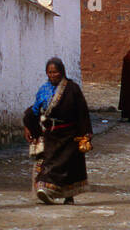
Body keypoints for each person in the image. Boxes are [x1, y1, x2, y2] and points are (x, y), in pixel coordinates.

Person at [23, 57, 92, 205]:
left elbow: (82, 111)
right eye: (49, 72)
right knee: (48, 164)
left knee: (69, 167)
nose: (52, 75)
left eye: (55, 72)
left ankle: (69, 196)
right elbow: (35, 110)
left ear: (62, 72)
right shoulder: (44, 90)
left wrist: (85, 133)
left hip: (70, 135)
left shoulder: (72, 88)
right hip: (51, 135)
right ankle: (45, 190)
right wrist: (28, 126)